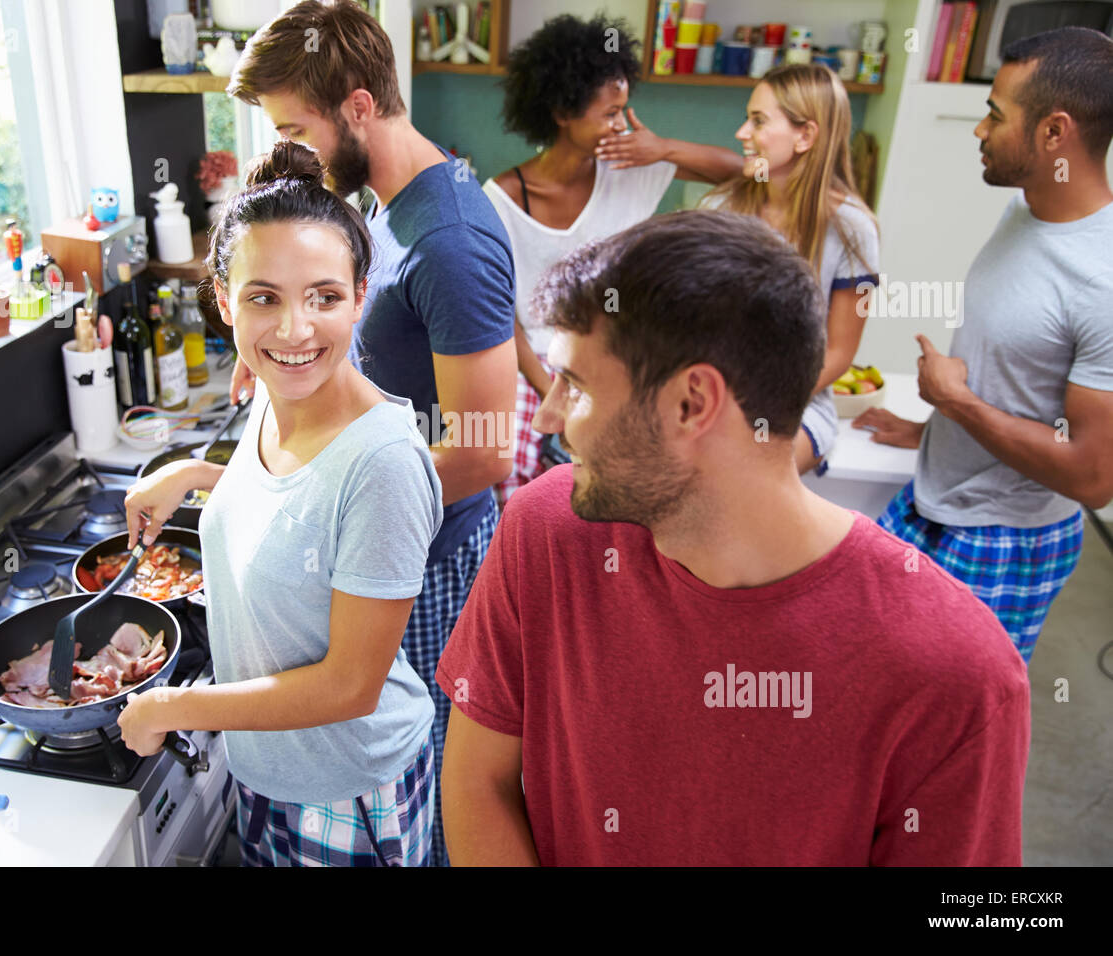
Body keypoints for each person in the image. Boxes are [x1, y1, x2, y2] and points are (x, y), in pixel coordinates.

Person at [436, 211, 1030, 866]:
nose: (548, 419)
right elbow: (478, 780)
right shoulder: (547, 530)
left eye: (574, 387)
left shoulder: (956, 674)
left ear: (693, 403)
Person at [225, 0, 516, 866]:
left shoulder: (449, 239)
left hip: (426, 562)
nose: (290, 151)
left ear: (357, 107)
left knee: (403, 792)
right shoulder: (389, 202)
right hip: (381, 547)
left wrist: (314, 498)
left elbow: (483, 450)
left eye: (296, 129)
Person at [117, 141, 441, 867]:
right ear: (225, 303)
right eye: (264, 297)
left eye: (324, 297)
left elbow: (350, 686)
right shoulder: (278, 383)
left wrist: (173, 708)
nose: (295, 329)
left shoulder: (384, 462)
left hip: (348, 795)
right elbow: (292, 495)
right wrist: (197, 474)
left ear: (362, 296)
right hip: (267, 768)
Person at [854, 27, 1113, 665]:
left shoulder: (1102, 280)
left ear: (1054, 134)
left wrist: (957, 402)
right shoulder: (1025, 210)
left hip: (1002, 539)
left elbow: (1092, 475)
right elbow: (1016, 374)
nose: (980, 130)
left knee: (947, 734)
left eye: (995, 115)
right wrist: (931, 427)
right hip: (935, 499)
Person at [482, 12, 742, 504]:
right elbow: (503, 317)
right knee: (509, 473)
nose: (621, 123)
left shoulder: (630, 168)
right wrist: (553, 388)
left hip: (614, 354)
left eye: (625, 109)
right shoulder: (502, 200)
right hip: (530, 363)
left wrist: (662, 148)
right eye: (609, 113)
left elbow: (748, 174)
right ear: (562, 113)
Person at [602, 63, 879, 475]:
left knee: (737, 478)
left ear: (805, 136)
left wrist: (750, 403)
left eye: (758, 121)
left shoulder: (853, 228)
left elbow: (839, 352)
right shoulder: (721, 209)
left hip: (794, 406)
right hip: (706, 397)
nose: (741, 133)